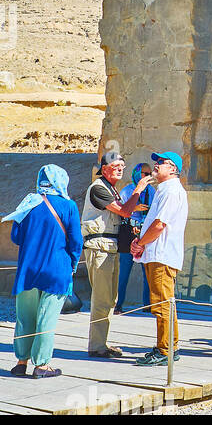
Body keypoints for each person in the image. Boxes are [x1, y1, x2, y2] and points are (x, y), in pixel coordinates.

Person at [4, 164, 82, 378]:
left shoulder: (28, 203)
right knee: (46, 319)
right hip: (56, 269)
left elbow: (16, 238)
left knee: (24, 318)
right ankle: (42, 365)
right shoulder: (68, 206)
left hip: (28, 270)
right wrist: (73, 264)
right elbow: (76, 241)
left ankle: (21, 362)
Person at [80, 145, 150, 359]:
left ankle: (102, 343)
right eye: (115, 166)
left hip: (110, 248)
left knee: (110, 298)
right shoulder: (98, 188)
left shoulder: (111, 189)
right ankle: (96, 346)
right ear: (104, 168)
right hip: (99, 248)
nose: (120, 169)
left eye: (122, 166)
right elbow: (123, 211)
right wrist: (138, 189)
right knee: (102, 298)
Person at [131, 150, 189, 367]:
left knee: (163, 303)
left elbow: (159, 225)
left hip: (162, 254)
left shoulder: (171, 191)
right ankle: (167, 347)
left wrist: (140, 243)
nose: (155, 165)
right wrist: (141, 241)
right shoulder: (163, 190)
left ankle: (166, 349)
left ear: (173, 168)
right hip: (156, 253)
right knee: (162, 303)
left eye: (161, 163)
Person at [115, 162, 153, 313]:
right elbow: (120, 211)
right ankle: (118, 304)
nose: (148, 177)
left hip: (144, 233)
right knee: (124, 272)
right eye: (145, 174)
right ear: (137, 174)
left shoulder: (151, 191)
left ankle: (147, 305)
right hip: (128, 232)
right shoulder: (128, 190)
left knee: (147, 271)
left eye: (150, 174)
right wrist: (135, 208)